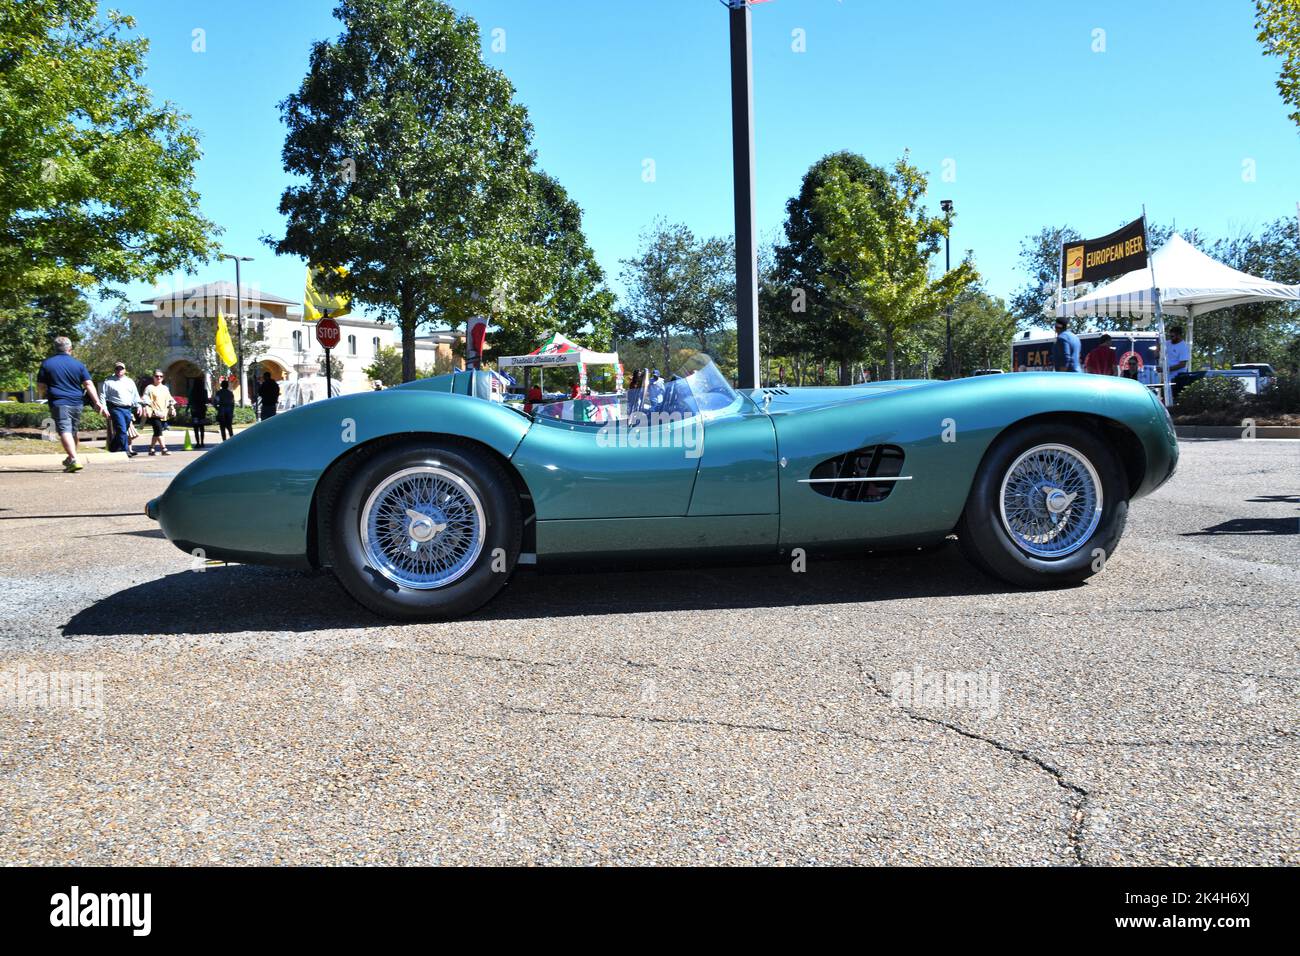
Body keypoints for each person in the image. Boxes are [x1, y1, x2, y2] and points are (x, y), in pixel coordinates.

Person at [36, 336, 107, 473]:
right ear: (70, 349)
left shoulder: (47, 364)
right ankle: (70, 458)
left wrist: (43, 394)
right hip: (77, 403)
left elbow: (41, 386)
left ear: (55, 349)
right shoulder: (78, 364)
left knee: (64, 430)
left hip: (59, 401)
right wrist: (97, 402)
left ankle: (74, 458)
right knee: (72, 431)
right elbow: (88, 384)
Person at [101, 361, 141, 458]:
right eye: (117, 368)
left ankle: (112, 448)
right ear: (114, 370)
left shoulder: (130, 381)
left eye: (121, 368)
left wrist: (139, 406)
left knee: (122, 430)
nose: (119, 370)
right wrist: (104, 408)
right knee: (122, 430)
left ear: (125, 370)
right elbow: (102, 396)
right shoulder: (108, 381)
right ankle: (125, 450)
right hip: (115, 408)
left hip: (127, 409)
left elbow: (135, 395)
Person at [142, 370, 175, 456]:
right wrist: (146, 407)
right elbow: (145, 398)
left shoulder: (165, 388)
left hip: (163, 413)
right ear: (153, 377)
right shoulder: (149, 388)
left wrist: (172, 408)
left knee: (157, 432)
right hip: (154, 413)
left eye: (161, 376)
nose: (159, 378)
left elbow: (170, 399)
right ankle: (164, 449)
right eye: (157, 376)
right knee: (159, 431)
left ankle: (151, 449)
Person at [1164, 325, 1191, 401]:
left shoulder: (1183, 347)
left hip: (1178, 378)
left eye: (1173, 336)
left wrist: (1166, 369)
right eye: (1170, 336)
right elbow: (1159, 344)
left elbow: (1182, 364)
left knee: (1175, 398)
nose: (1171, 338)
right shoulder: (1168, 343)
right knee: (1166, 398)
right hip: (1168, 377)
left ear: (1179, 335)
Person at [188, 378, 209, 448]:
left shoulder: (192, 391)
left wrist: (187, 409)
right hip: (202, 411)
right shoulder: (204, 391)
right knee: (202, 427)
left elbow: (190, 401)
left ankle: (197, 443)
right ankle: (202, 442)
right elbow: (206, 401)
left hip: (194, 411)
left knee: (196, 428)